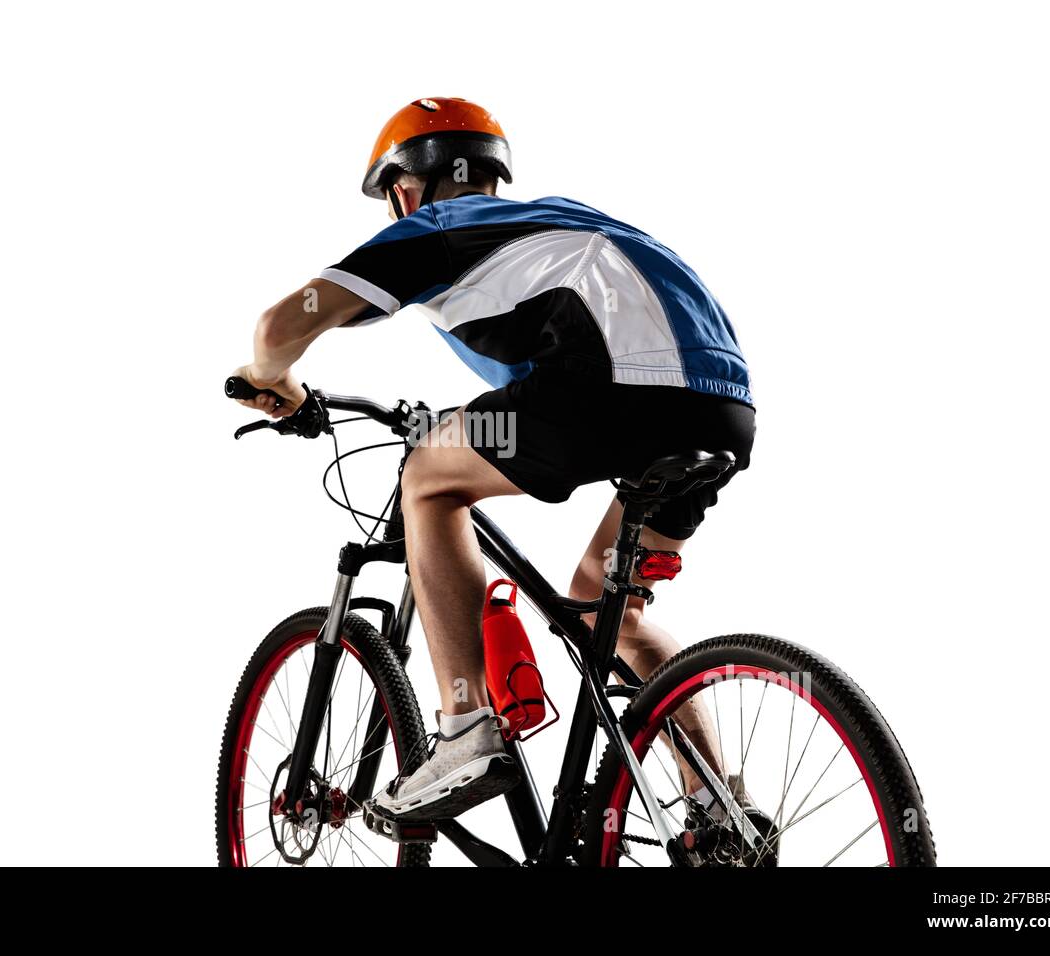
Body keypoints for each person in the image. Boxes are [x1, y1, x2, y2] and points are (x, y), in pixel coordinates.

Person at [231, 97, 755, 822]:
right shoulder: (561, 224)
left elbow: (279, 324)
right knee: (605, 612)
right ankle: (719, 805)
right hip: (721, 403)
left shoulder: (435, 229)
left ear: (405, 188)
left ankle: (465, 727)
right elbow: (539, 388)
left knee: (427, 476)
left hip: (606, 390)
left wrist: (274, 382)